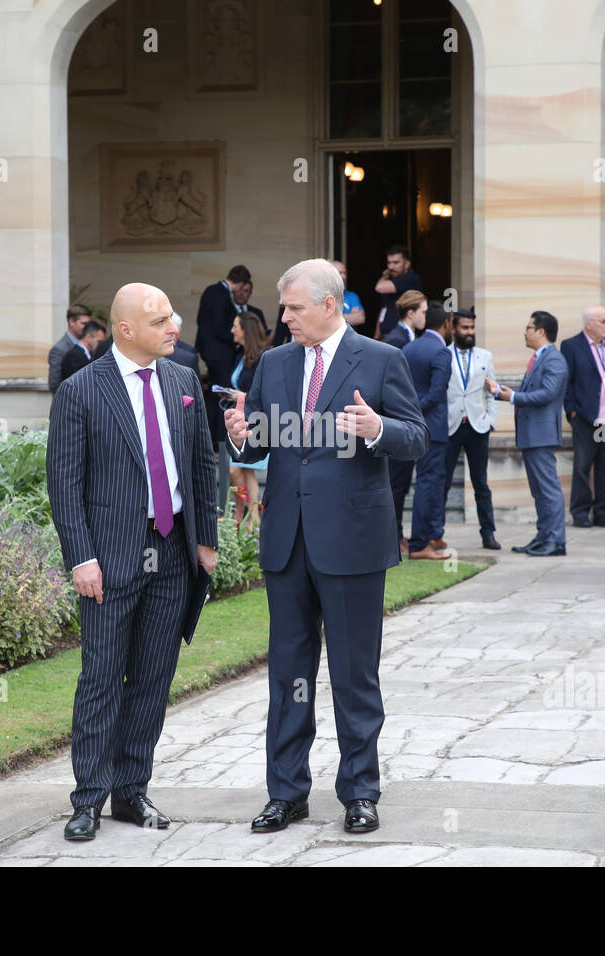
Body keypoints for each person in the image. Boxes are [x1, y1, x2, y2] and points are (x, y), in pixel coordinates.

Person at [224, 258, 428, 835]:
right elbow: (263, 438)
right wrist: (243, 435)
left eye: (293, 307)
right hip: (287, 540)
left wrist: (377, 430)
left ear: (329, 305)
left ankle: (361, 793)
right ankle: (286, 793)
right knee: (288, 671)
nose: (283, 317)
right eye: (284, 306)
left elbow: (417, 437)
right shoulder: (277, 363)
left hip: (354, 542)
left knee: (353, 673)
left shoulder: (382, 359)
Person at [47, 282, 218, 843]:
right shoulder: (80, 392)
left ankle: (131, 791)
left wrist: (206, 541)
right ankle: (88, 800)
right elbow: (65, 487)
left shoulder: (182, 380)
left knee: (151, 677)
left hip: (171, 554)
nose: (174, 328)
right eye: (161, 320)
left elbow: (200, 464)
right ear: (125, 331)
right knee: (101, 678)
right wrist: (82, 559)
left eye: (172, 317)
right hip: (110, 559)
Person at [491, 311, 568, 557]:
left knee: (548, 490)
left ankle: (555, 541)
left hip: (541, 435)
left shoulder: (554, 360)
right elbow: (534, 391)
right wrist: (502, 392)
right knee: (539, 491)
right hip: (532, 434)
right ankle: (544, 537)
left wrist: (512, 397)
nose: (525, 331)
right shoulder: (540, 358)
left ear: (541, 331)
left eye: (529, 327)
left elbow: (547, 394)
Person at [562, 306, 605, 529]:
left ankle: (602, 512)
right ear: (589, 324)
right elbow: (566, 381)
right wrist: (572, 411)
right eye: (603, 322)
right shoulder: (571, 346)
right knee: (582, 466)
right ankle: (580, 513)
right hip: (587, 417)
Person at [443, 308, 500, 549]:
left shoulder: (484, 356)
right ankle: (436, 533)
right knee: (442, 482)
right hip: (450, 425)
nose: (469, 332)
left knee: (481, 483)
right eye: (465, 327)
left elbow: (493, 391)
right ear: (454, 328)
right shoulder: (443, 354)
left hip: (478, 425)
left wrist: (492, 420)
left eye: (472, 328)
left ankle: (488, 533)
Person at [403, 301, 452, 559]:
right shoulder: (441, 351)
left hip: (413, 426)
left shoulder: (409, 347)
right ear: (446, 323)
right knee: (428, 483)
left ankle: (432, 534)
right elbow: (436, 393)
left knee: (429, 481)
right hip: (431, 427)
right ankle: (420, 543)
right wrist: (415, 412)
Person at [386, 290, 427, 552]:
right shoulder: (396, 340)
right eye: (423, 311)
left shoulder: (409, 338)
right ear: (410, 313)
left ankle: (397, 534)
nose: (426, 316)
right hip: (395, 423)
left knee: (400, 485)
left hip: (404, 424)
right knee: (395, 485)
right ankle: (393, 536)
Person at [196, 264, 251, 444]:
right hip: (219, 354)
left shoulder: (211, 290)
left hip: (208, 351)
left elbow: (201, 321)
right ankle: (221, 441)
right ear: (241, 283)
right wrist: (236, 339)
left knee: (214, 397)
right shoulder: (222, 295)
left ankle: (214, 440)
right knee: (224, 399)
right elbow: (220, 327)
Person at [228, 312, 269, 528]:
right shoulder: (240, 356)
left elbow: (262, 391)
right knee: (246, 471)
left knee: (237, 469)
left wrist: (240, 396)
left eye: (235, 326)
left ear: (246, 329)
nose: (232, 330)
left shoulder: (264, 357)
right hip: (239, 417)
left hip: (254, 420)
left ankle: (245, 513)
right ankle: (252, 518)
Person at [375, 244, 423, 337]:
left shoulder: (411, 278)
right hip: (387, 337)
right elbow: (384, 309)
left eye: (396, 263)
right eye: (389, 263)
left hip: (404, 337)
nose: (391, 267)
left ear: (407, 264)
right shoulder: (391, 281)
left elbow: (379, 287)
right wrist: (377, 336)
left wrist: (385, 275)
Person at [49, 305, 92, 393]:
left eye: (89, 324)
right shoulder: (59, 349)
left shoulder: (89, 345)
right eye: (83, 324)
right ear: (71, 322)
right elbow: (54, 385)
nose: (87, 328)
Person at [332, 260, 366, 329]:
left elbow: (360, 318)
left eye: (345, 273)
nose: (344, 277)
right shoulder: (322, 296)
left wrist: (332, 317)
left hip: (349, 339)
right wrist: (350, 316)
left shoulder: (352, 296)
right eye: (340, 273)